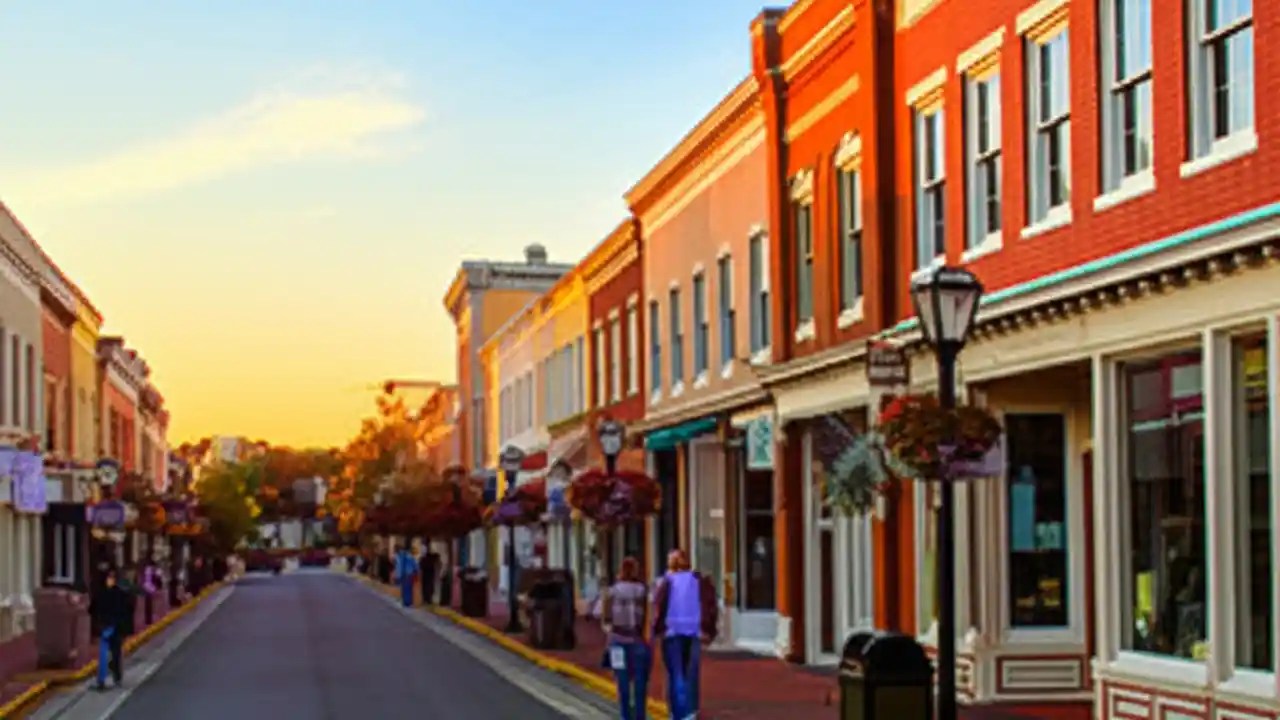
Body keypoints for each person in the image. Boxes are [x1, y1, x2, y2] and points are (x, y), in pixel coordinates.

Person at [651, 549, 717, 720]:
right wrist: (709, 629)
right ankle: (690, 712)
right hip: (693, 631)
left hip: (672, 632)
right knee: (692, 674)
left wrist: (656, 629)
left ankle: (677, 713)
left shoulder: (667, 581)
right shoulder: (699, 581)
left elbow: (658, 607)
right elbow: (711, 605)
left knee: (675, 674)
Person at [602, 556, 651, 720]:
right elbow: (646, 618)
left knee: (622, 683)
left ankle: (625, 716)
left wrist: (609, 631)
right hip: (636, 639)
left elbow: (605, 617)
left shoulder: (612, 591)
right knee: (639, 682)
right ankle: (639, 716)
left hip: (617, 639)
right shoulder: (642, 590)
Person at [89, 568, 131, 690]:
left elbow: (92, 610)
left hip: (111, 627)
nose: (110, 580)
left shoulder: (105, 593)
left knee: (110, 652)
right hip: (110, 627)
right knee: (111, 653)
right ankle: (113, 678)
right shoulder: (114, 594)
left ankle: (107, 678)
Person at [393, 544, 419, 608]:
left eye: (395, 549)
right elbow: (414, 564)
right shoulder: (405, 555)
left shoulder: (402, 556)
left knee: (406, 588)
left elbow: (399, 566)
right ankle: (407, 602)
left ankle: (407, 602)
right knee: (407, 588)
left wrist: (397, 575)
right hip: (408, 573)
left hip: (406, 574)